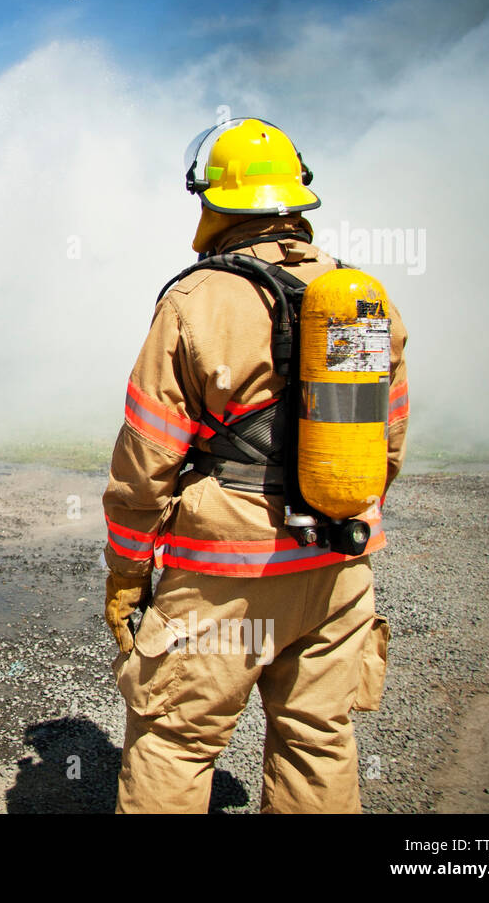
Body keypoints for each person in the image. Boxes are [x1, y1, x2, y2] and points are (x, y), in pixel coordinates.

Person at [102, 117, 408, 813]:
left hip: (224, 576)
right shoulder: (363, 297)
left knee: (175, 741)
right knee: (318, 739)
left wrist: (125, 571)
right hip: (339, 565)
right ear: (296, 199)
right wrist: (337, 498)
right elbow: (388, 440)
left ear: (213, 202)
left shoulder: (194, 300)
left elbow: (145, 460)